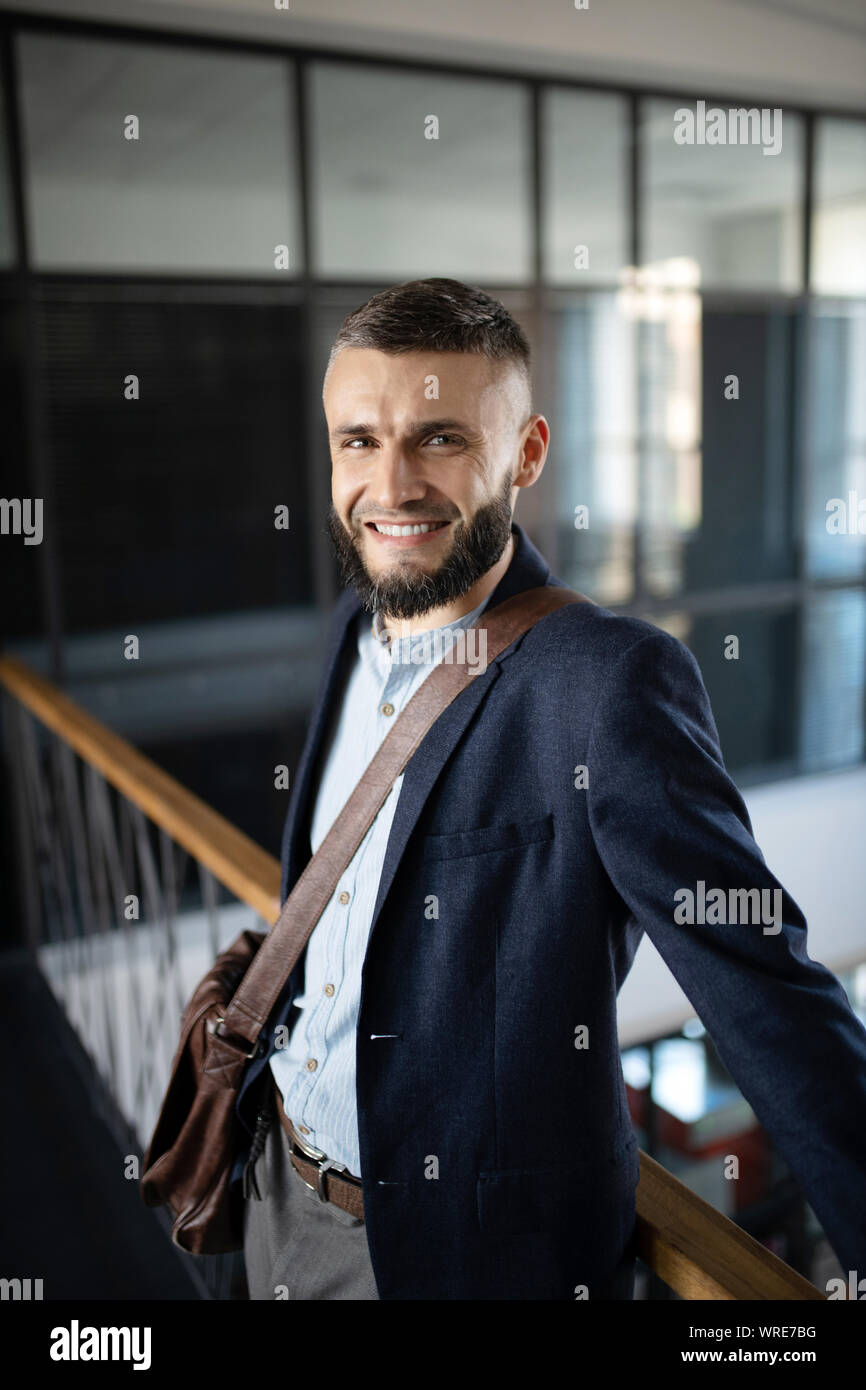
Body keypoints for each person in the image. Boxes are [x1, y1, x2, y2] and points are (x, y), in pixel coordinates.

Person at [235, 277, 866, 1301]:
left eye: (438, 438)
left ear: (524, 455)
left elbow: (768, 988)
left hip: (447, 1260)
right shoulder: (353, 629)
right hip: (274, 1188)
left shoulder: (604, 681)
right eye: (358, 440)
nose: (389, 487)